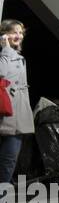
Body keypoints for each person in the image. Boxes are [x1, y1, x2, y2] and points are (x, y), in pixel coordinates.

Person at [0, 19, 34, 186]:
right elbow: (1, 73)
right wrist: (5, 50)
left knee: (9, 159)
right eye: (14, 32)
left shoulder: (19, 57)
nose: (18, 36)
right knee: (8, 159)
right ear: (4, 34)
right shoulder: (5, 54)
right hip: (5, 112)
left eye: (21, 32)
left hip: (15, 114)